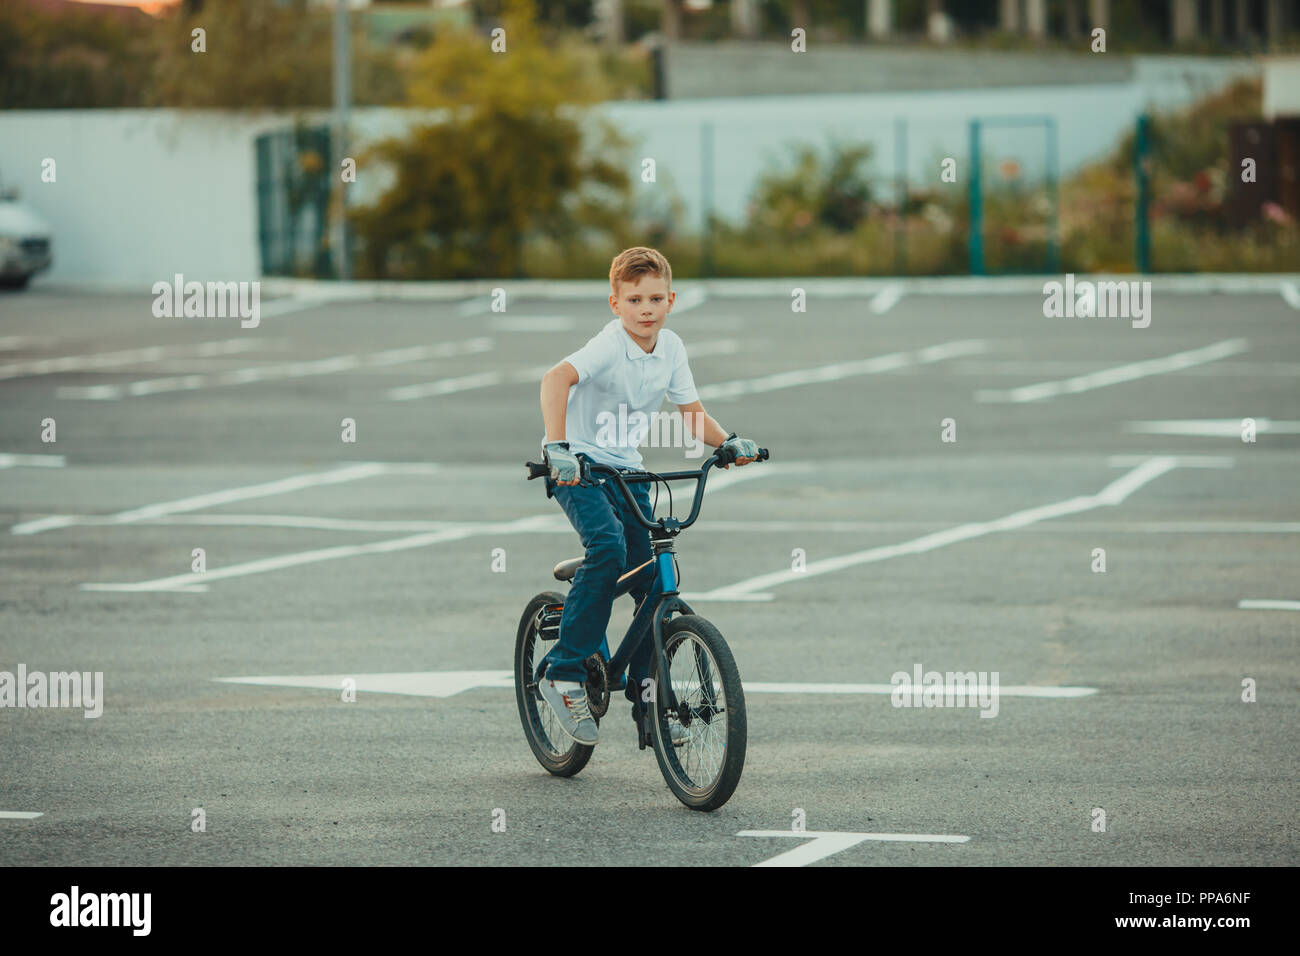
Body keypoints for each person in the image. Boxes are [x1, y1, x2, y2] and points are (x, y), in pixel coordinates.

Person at [535, 246, 760, 746]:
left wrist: (727, 443)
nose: (646, 309)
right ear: (615, 304)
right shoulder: (610, 345)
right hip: (580, 467)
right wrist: (556, 447)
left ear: (671, 300)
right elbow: (556, 379)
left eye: (656, 298)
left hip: (627, 471)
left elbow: (691, 410)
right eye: (634, 299)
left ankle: (648, 701)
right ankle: (564, 671)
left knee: (651, 579)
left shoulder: (672, 347)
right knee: (609, 549)